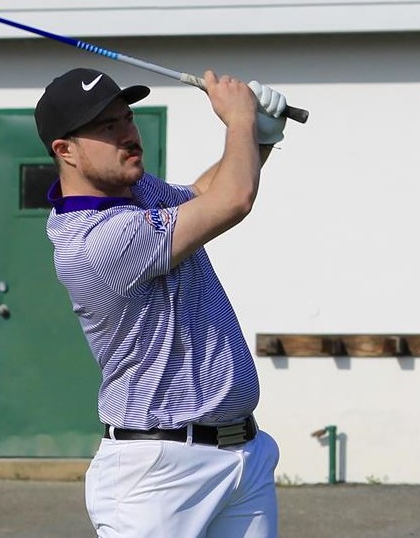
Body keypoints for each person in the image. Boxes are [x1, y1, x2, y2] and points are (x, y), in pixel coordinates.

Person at [34, 67, 288, 538]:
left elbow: (202, 194)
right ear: (64, 150)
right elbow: (233, 200)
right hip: (157, 473)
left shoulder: (136, 192)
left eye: (126, 119)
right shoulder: (95, 241)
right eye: (106, 127)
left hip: (241, 456)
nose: (127, 135)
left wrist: (259, 143)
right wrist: (239, 122)